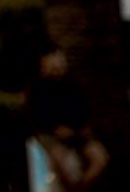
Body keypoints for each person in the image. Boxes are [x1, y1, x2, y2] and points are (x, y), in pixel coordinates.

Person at [27, 48, 110, 192]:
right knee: (61, 160)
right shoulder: (37, 89)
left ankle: (81, 187)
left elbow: (82, 110)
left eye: (60, 59)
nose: (58, 64)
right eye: (53, 60)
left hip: (76, 133)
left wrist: (79, 129)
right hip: (50, 135)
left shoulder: (73, 85)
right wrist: (55, 129)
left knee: (99, 157)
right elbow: (38, 117)